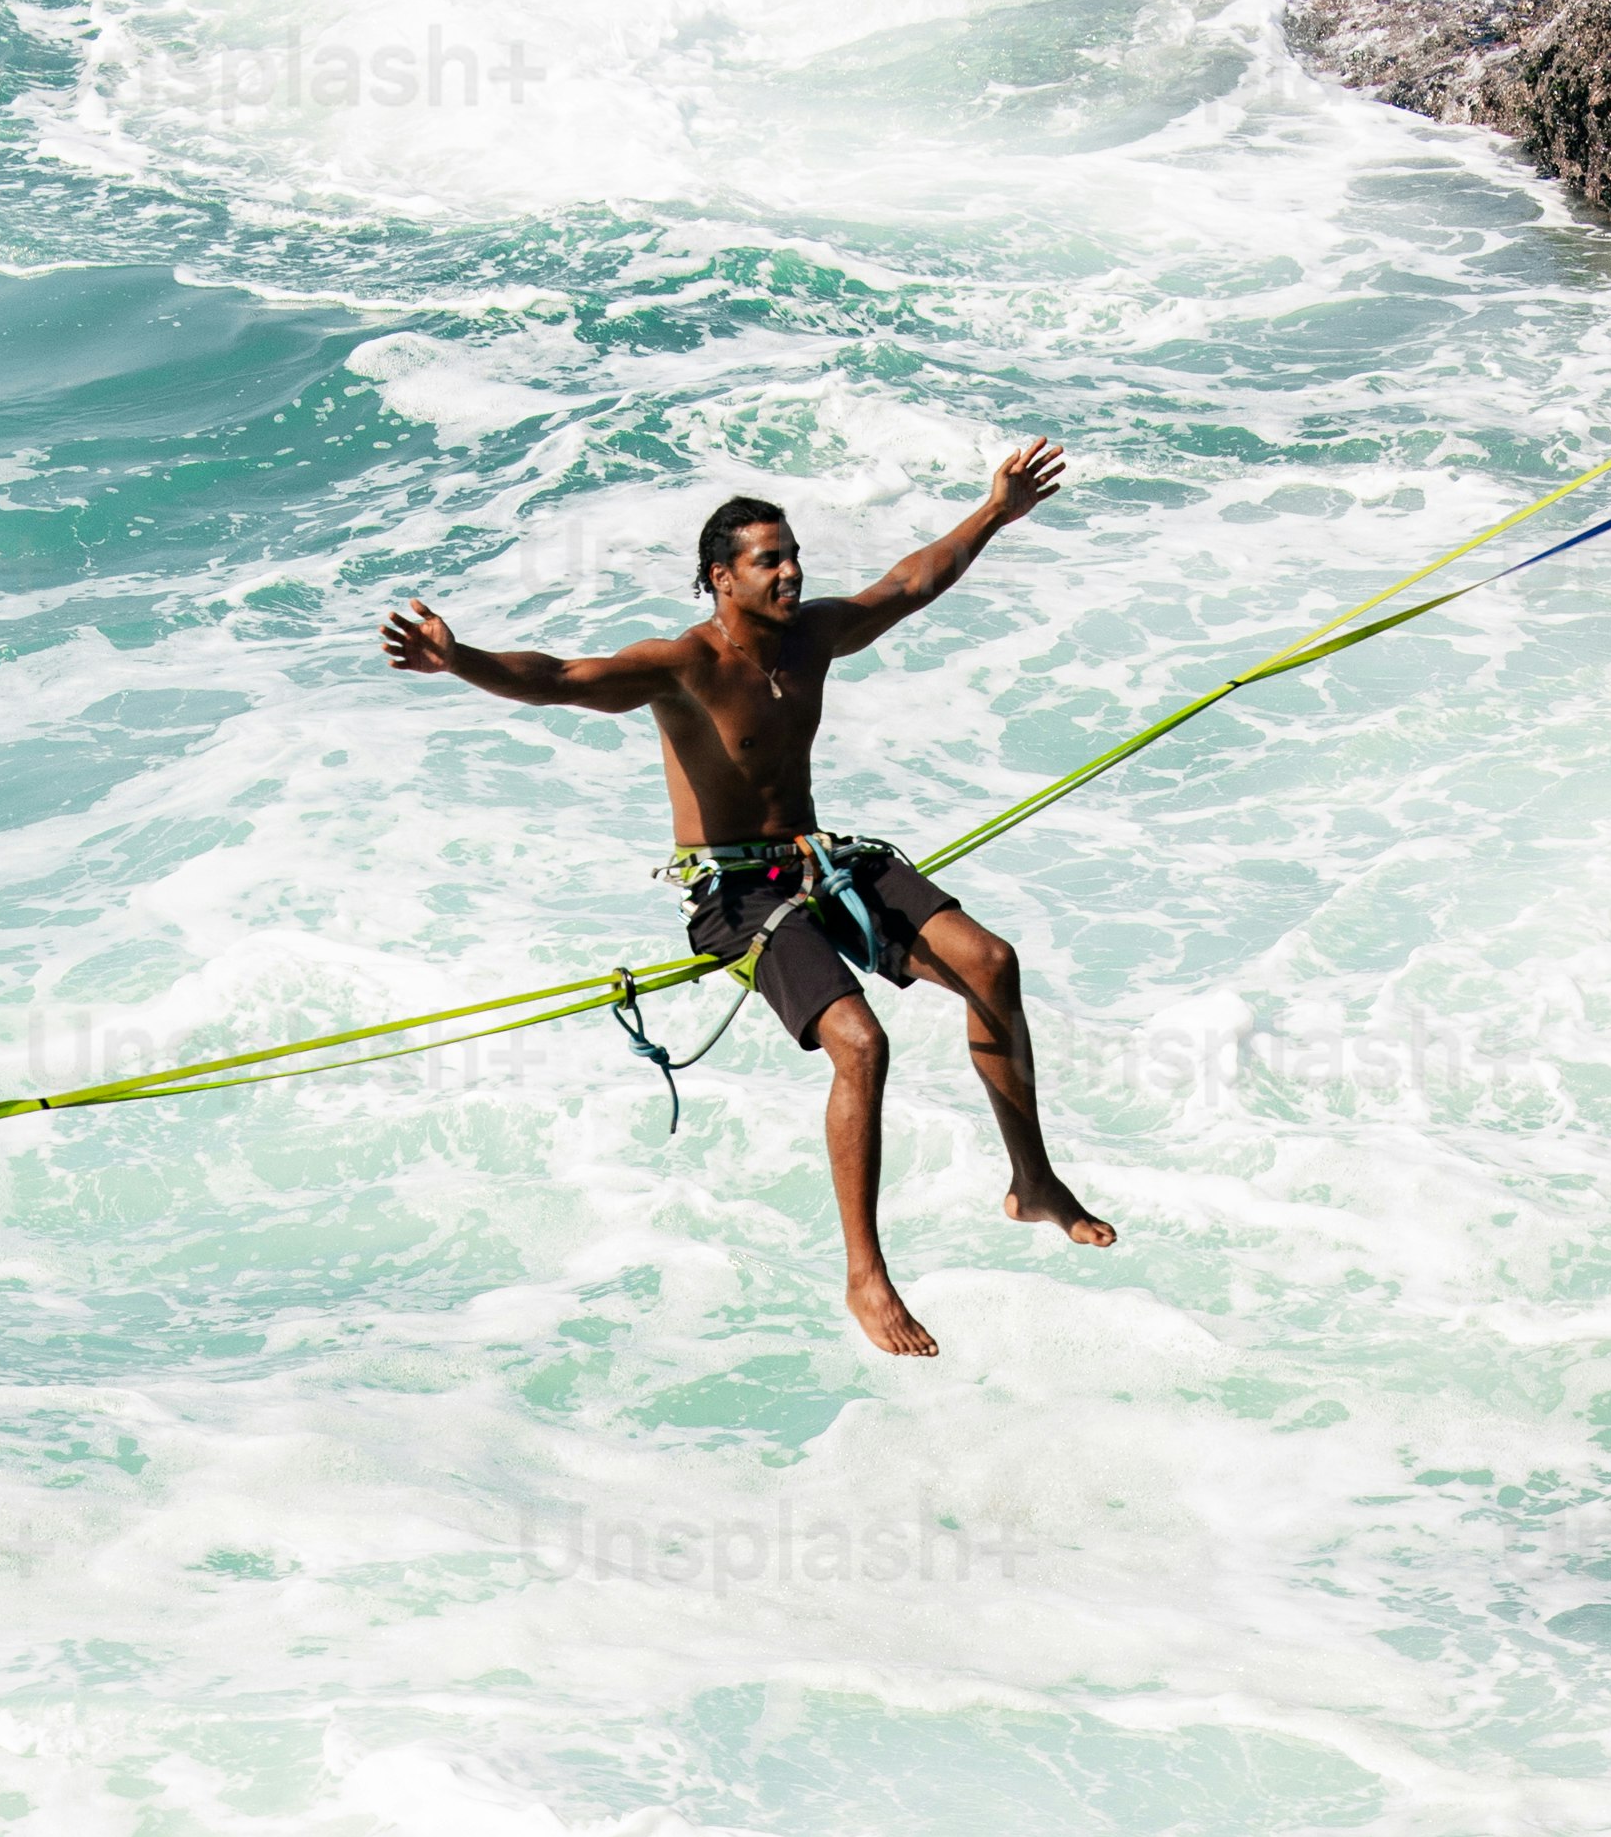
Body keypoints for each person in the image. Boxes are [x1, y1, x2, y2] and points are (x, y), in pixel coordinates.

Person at [383, 443, 1112, 1360]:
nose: (791, 570)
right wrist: (462, 660)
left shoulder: (811, 638)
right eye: (769, 560)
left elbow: (909, 583)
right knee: (860, 1041)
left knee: (989, 962)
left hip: (819, 859)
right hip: (732, 892)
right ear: (721, 579)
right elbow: (559, 678)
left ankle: (1033, 1181)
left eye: (793, 553)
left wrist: (993, 511)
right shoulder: (681, 665)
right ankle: (865, 1275)